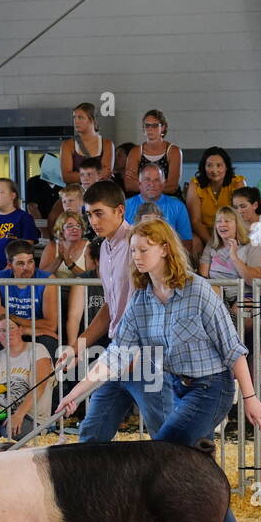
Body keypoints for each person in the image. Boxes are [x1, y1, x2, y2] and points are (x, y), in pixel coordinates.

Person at [55, 217, 261, 522]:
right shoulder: (141, 299)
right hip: (178, 385)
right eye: (134, 250)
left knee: (159, 463)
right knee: (193, 470)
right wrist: (76, 393)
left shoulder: (199, 291)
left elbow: (233, 349)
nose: (136, 257)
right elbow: (117, 355)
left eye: (143, 250)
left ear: (165, 249)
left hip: (212, 387)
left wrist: (250, 397)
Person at [65, 179, 174, 442]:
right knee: (92, 431)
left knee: (168, 433)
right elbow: (109, 307)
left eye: (99, 213)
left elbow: (157, 303)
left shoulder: (139, 247)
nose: (93, 220)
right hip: (118, 353)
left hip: (146, 355)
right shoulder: (104, 248)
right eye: (89, 214)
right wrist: (79, 345)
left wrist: (139, 351)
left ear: (120, 211)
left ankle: (196, 480)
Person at [0, 239, 60, 361]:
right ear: (10, 265)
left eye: (30, 262)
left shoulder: (48, 279)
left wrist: (8, 316)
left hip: (33, 333)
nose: (27, 267)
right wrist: (25, 330)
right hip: (20, 331)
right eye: (20, 263)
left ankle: (47, 380)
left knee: (49, 341)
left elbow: (50, 325)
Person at [199, 205, 261, 342]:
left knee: (241, 316)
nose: (222, 224)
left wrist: (234, 256)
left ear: (237, 224)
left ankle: (236, 353)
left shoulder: (251, 245)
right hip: (219, 296)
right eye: (218, 221)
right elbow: (204, 278)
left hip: (248, 293)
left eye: (227, 221)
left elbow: (253, 279)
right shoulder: (211, 245)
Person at [186, 146, 246, 261]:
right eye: (209, 165)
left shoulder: (237, 182)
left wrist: (225, 239)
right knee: (193, 241)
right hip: (204, 233)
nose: (214, 170)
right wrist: (213, 244)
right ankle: (198, 275)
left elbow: (241, 217)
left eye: (219, 165)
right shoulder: (195, 184)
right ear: (203, 167)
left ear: (226, 167)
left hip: (231, 230)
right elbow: (195, 221)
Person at [125, 163, 192, 243]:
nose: (152, 184)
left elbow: (187, 242)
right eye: (147, 180)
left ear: (163, 184)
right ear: (140, 184)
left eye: (156, 180)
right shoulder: (126, 206)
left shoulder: (178, 206)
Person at [123, 110, 182, 197]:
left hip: (168, 201)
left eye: (155, 125)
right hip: (142, 201)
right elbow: (129, 185)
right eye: (147, 125)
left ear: (163, 127)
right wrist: (160, 185)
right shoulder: (135, 152)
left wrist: (142, 185)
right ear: (143, 128)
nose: (150, 129)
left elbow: (172, 186)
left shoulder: (173, 151)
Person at [61, 102, 114, 185]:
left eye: (80, 117)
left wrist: (79, 175)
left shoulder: (107, 144)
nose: (76, 121)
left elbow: (106, 173)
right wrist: (95, 175)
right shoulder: (68, 145)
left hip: (100, 193)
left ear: (91, 119)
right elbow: (66, 177)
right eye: (74, 117)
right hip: (77, 195)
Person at [232, 186, 261, 275]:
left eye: (243, 206)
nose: (239, 211)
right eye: (235, 207)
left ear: (255, 205)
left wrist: (246, 266)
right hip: (236, 268)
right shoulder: (233, 223)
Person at [40, 212, 92, 277]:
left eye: (78, 226)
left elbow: (90, 278)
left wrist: (70, 264)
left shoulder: (89, 247)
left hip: (81, 287)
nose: (75, 229)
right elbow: (42, 276)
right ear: (61, 230)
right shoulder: (52, 246)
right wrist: (59, 259)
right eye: (70, 226)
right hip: (56, 286)